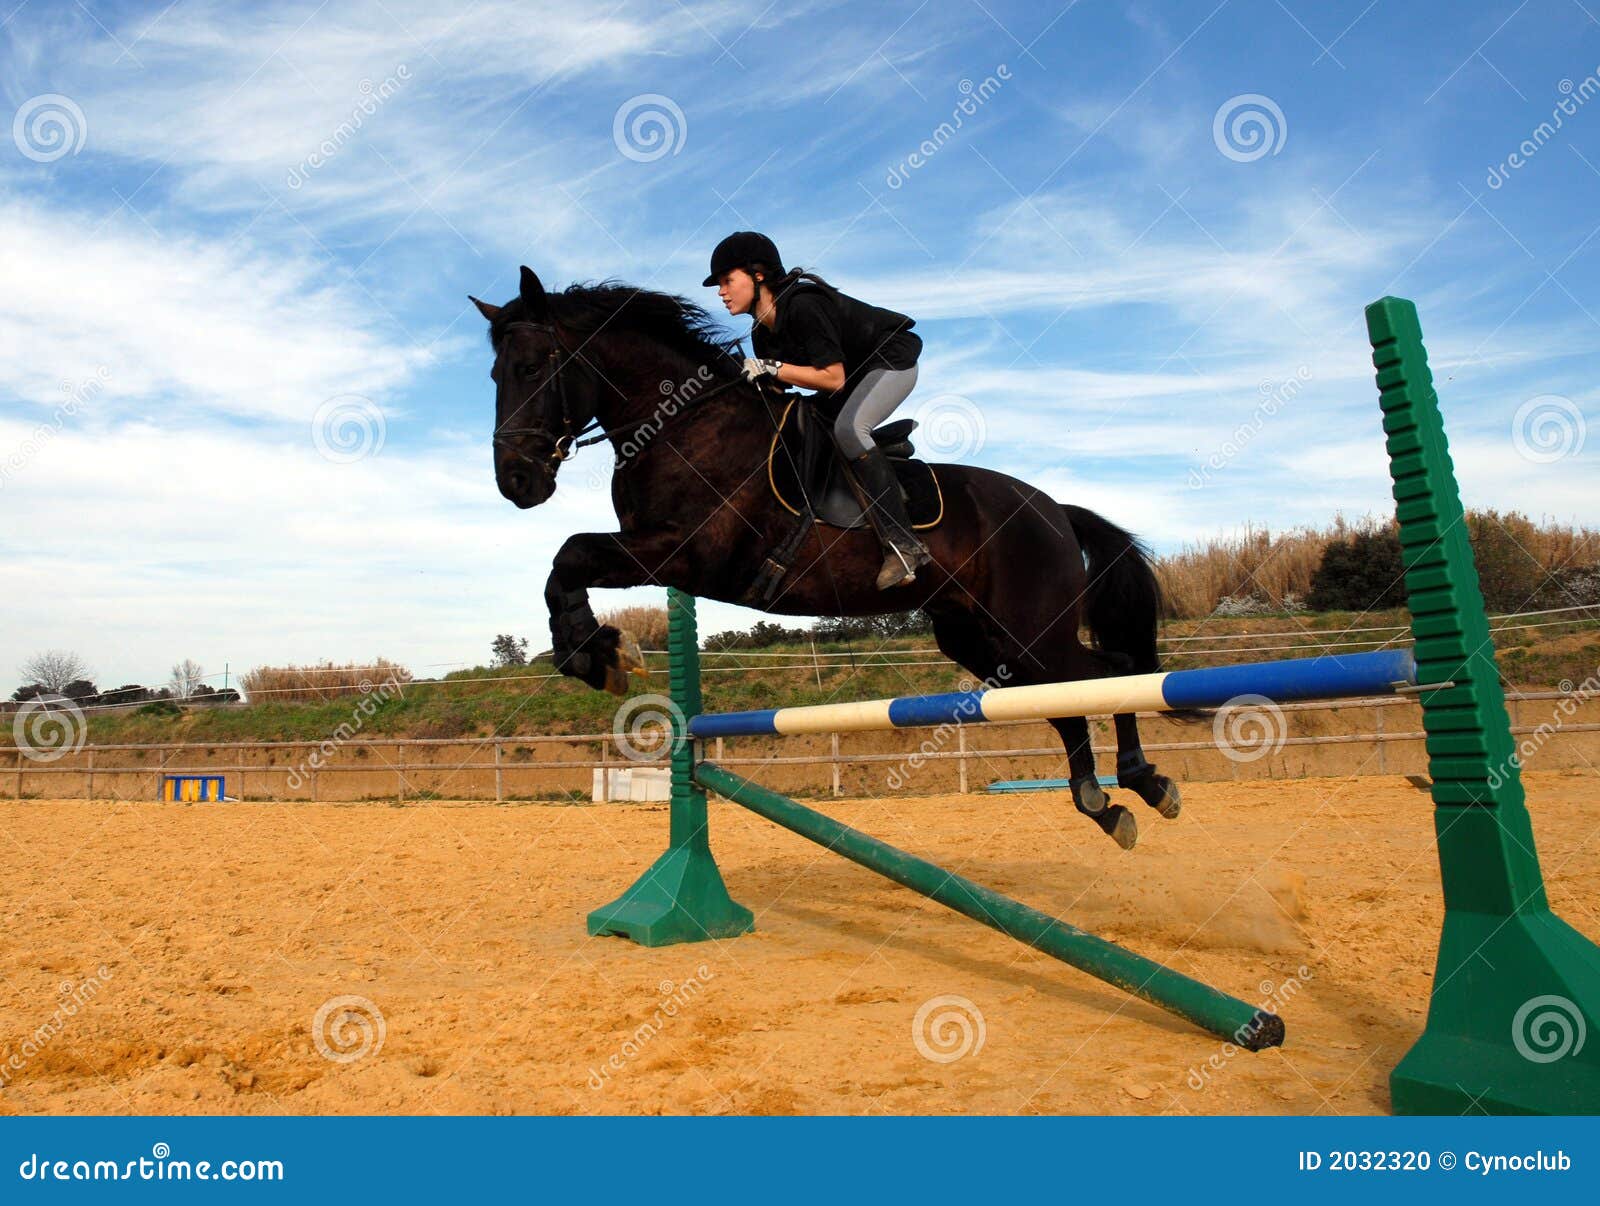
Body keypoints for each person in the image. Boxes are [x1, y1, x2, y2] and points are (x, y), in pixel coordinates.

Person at [703, 231, 934, 590]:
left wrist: (771, 368)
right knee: (804, 424)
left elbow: (833, 378)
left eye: (727, 281)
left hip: (891, 360)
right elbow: (778, 396)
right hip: (855, 376)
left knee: (849, 429)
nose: (721, 291)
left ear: (758, 274)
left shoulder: (803, 305)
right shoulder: (761, 333)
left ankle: (904, 546)